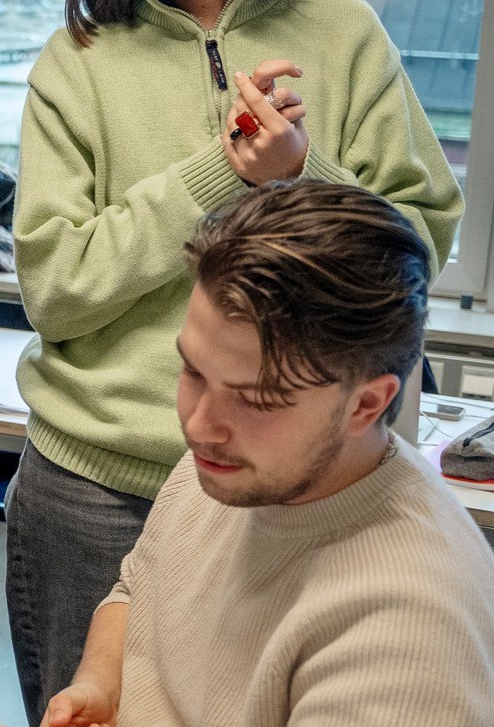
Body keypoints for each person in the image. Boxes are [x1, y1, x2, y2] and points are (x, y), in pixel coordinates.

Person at [8, 0, 463, 723]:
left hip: (298, 488)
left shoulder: (344, 34)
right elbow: (54, 287)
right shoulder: (77, 62)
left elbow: (412, 253)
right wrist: (217, 177)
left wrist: (298, 174)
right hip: (95, 487)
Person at [43, 181, 494, 727]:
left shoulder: (409, 628)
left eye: (255, 399)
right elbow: (138, 589)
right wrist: (102, 685)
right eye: (192, 371)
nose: (199, 425)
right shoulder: (228, 463)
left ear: (366, 404)